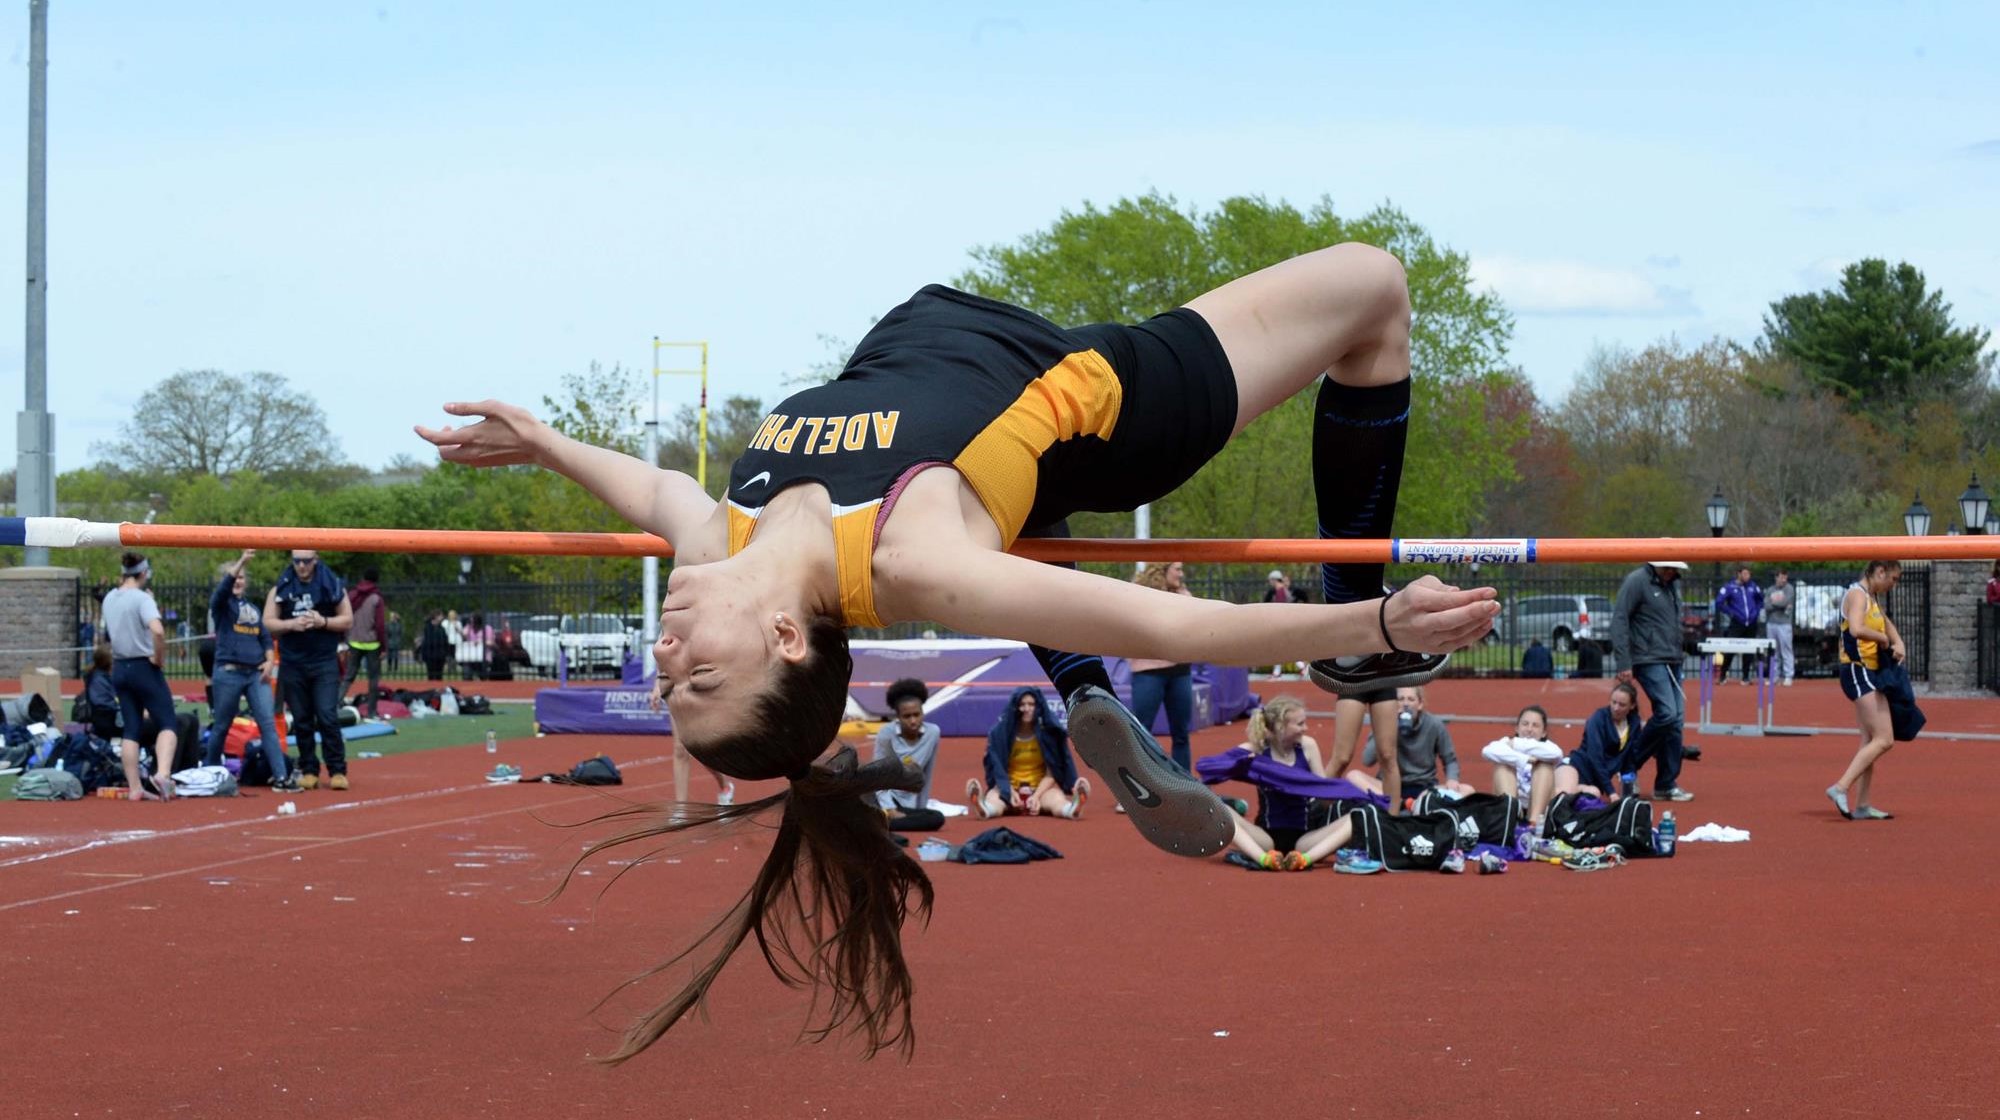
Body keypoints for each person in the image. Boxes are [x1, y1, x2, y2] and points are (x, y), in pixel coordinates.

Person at [419, 245, 1499, 1059]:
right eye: (700, 671)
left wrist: (545, 441)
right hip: (1102, 396)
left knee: (1015, 510)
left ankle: (1071, 681)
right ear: (789, 638)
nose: (664, 650)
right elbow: (1175, 629)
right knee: (1374, 288)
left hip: (963, 362)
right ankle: (1288, 659)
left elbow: (649, 486)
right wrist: (1372, 626)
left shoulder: (720, 539)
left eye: (667, 679)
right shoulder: (911, 562)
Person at [201, 550, 298, 792]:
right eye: (234, 577)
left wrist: (268, 661)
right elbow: (222, 590)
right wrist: (241, 561)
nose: (238, 581)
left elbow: (265, 637)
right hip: (229, 672)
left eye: (242, 577)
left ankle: (281, 777)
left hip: (256, 674)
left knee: (267, 724)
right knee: (222, 725)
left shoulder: (253, 609)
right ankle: (209, 774)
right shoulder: (221, 606)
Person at [265, 550, 353, 791]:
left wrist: (322, 621)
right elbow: (268, 622)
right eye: (297, 561)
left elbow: (347, 619)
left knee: (327, 715)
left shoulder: (331, 585)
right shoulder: (282, 587)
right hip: (293, 662)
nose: (301, 566)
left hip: (323, 662)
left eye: (306, 561)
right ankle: (309, 769)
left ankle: (337, 769)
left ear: (315, 560)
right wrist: (291, 624)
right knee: (302, 718)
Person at [1826, 560, 1906, 821]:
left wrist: (1897, 640)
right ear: (1879, 572)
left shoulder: (1871, 597)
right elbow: (1858, 629)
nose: (1893, 585)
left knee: (1870, 741)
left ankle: (1862, 804)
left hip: (1869, 672)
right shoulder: (1857, 595)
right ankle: (1840, 787)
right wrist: (1884, 640)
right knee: (1885, 739)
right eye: (1892, 579)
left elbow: (1884, 621)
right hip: (1857, 670)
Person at [1609, 560, 1695, 803]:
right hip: (1648, 658)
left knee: (1675, 721)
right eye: (1667, 567)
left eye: (1674, 568)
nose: (1672, 572)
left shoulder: (1671, 586)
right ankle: (1629, 765)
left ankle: (1666, 783)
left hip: (1672, 658)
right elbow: (1620, 619)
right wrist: (1623, 661)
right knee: (1667, 714)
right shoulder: (1637, 581)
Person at [100, 552, 179, 801]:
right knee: (167, 721)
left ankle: (135, 787)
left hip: (120, 667)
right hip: (143, 666)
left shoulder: (110, 598)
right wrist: (159, 658)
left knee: (131, 728)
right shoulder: (142, 598)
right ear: (143, 573)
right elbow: (157, 630)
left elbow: (109, 635)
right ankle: (163, 774)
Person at [967, 688, 1090, 820]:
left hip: (1039, 789)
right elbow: (997, 768)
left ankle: (1071, 810)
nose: (1027, 708)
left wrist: (1036, 797)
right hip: (1009, 788)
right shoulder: (1000, 734)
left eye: (1031, 704)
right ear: (1015, 707)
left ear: (1038, 706)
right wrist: (1009, 792)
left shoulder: (1048, 735)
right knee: (994, 798)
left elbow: (1051, 773)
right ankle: (985, 809)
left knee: (1056, 798)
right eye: (1022, 704)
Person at [1127, 561, 1196, 773]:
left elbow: (1194, 622)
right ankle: (1139, 786)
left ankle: (1185, 785)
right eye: (1177, 569)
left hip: (1180, 671)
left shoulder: (1184, 595)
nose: (1181, 574)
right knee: (1141, 730)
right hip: (1148, 671)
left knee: (1181, 733)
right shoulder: (1140, 594)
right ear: (1162, 570)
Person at [1346, 685, 1469, 803]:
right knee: (1353, 776)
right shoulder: (1384, 723)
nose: (1405, 704)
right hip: (1388, 786)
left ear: (1420, 704)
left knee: (1467, 790)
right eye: (1401, 699)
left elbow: (1450, 760)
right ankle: (1402, 804)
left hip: (1423, 787)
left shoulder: (1434, 725)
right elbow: (1367, 760)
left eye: (1411, 699)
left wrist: (1452, 780)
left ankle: (1412, 803)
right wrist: (1388, 727)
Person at [1556, 681, 1642, 800]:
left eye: (1622, 705)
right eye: (1613, 702)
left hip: (1595, 782)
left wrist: (1628, 784)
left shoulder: (1634, 723)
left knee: (1591, 797)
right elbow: (1595, 756)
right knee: (1564, 797)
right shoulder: (1598, 718)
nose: (1616, 708)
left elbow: (1629, 757)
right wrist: (1611, 791)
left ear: (1632, 706)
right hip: (1575, 768)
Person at [1479, 705, 1563, 828]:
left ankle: (1533, 825)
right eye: (1525, 724)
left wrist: (1518, 743)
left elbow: (1557, 754)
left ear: (1544, 732)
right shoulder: (1505, 742)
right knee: (1502, 766)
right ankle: (1511, 820)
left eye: (1535, 725)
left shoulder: (1548, 747)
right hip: (1513, 805)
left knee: (1544, 766)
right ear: (1517, 728)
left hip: (1538, 810)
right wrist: (1525, 759)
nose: (1529, 729)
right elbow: (1487, 751)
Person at [871, 678, 940, 821]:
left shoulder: (933, 732)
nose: (913, 721)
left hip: (909, 804)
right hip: (886, 800)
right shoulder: (886, 733)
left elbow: (927, 773)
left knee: (936, 818)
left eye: (916, 714)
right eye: (907, 716)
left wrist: (922, 808)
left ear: (922, 712)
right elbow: (878, 774)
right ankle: (884, 819)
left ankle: (884, 824)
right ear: (898, 717)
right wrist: (890, 809)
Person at [342, 567, 388, 719]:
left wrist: (346, 636)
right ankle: (371, 711)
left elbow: (345, 615)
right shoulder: (376, 598)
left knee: (348, 676)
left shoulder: (353, 594)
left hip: (354, 641)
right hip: (372, 643)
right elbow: (380, 625)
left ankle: (335, 703)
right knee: (373, 679)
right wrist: (383, 645)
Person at [1712, 566, 1765, 684]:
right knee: (1730, 649)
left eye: (1749, 574)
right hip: (1737, 623)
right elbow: (1719, 602)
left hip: (1751, 622)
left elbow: (1761, 599)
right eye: (1745, 574)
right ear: (1738, 574)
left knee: (1749, 650)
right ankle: (1722, 676)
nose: (1747, 577)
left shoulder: (1753, 586)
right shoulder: (1730, 587)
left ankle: (1745, 677)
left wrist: (1755, 612)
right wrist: (1731, 613)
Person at [80, 642, 120, 743]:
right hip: (109, 720)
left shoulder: (107, 677)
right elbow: (105, 704)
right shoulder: (98, 680)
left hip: (113, 717)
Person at [1764, 570, 1795, 687]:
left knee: (1786, 649)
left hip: (1784, 623)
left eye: (1785, 577)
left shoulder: (1789, 589)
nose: (1784, 580)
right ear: (1776, 577)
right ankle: (1774, 676)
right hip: (1771, 623)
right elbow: (1766, 605)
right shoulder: (1770, 590)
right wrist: (1779, 604)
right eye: (1781, 577)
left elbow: (1786, 602)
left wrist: (1775, 603)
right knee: (1773, 651)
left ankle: (1788, 675)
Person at [455, 611, 494, 681]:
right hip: (470, 657)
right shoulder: (469, 627)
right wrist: (459, 631)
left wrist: (480, 642)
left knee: (483, 677)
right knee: (467, 675)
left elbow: (491, 643)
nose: (471, 623)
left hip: (483, 657)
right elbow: (464, 635)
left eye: (473, 621)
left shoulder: (487, 629)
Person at [417, 610, 452, 681]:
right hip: (430, 655)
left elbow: (445, 641)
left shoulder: (442, 628)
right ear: (436, 617)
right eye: (441, 616)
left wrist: (446, 653)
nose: (442, 617)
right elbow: (427, 642)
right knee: (431, 675)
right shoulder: (428, 627)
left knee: (439, 676)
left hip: (440, 656)